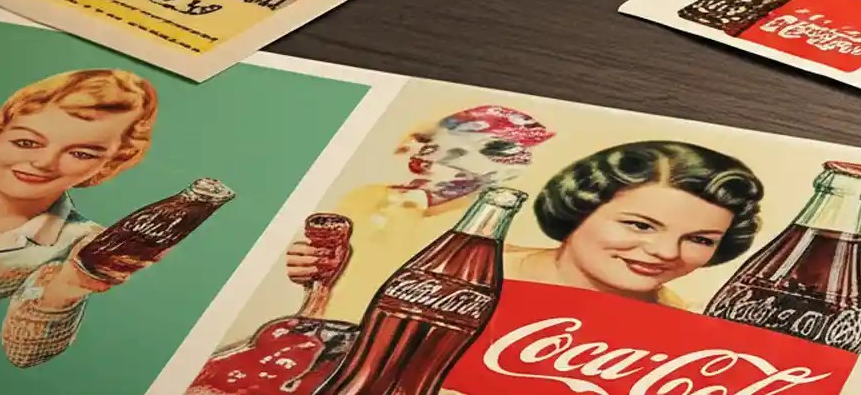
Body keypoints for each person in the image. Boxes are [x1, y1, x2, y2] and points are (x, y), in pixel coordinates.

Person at [0, 69, 158, 377]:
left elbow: (25, 353)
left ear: (108, 163)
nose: (44, 163)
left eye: (81, 153)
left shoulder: (79, 245)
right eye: (27, 142)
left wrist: (67, 288)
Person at [285, 105, 553, 322]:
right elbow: (326, 277)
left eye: (457, 152)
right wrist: (308, 268)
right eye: (431, 143)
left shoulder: (482, 235)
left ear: (501, 172)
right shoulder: (365, 198)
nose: (427, 155)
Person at [505, 141, 764, 309]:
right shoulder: (486, 266)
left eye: (700, 239)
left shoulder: (682, 323)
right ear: (578, 209)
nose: (667, 252)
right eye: (641, 225)